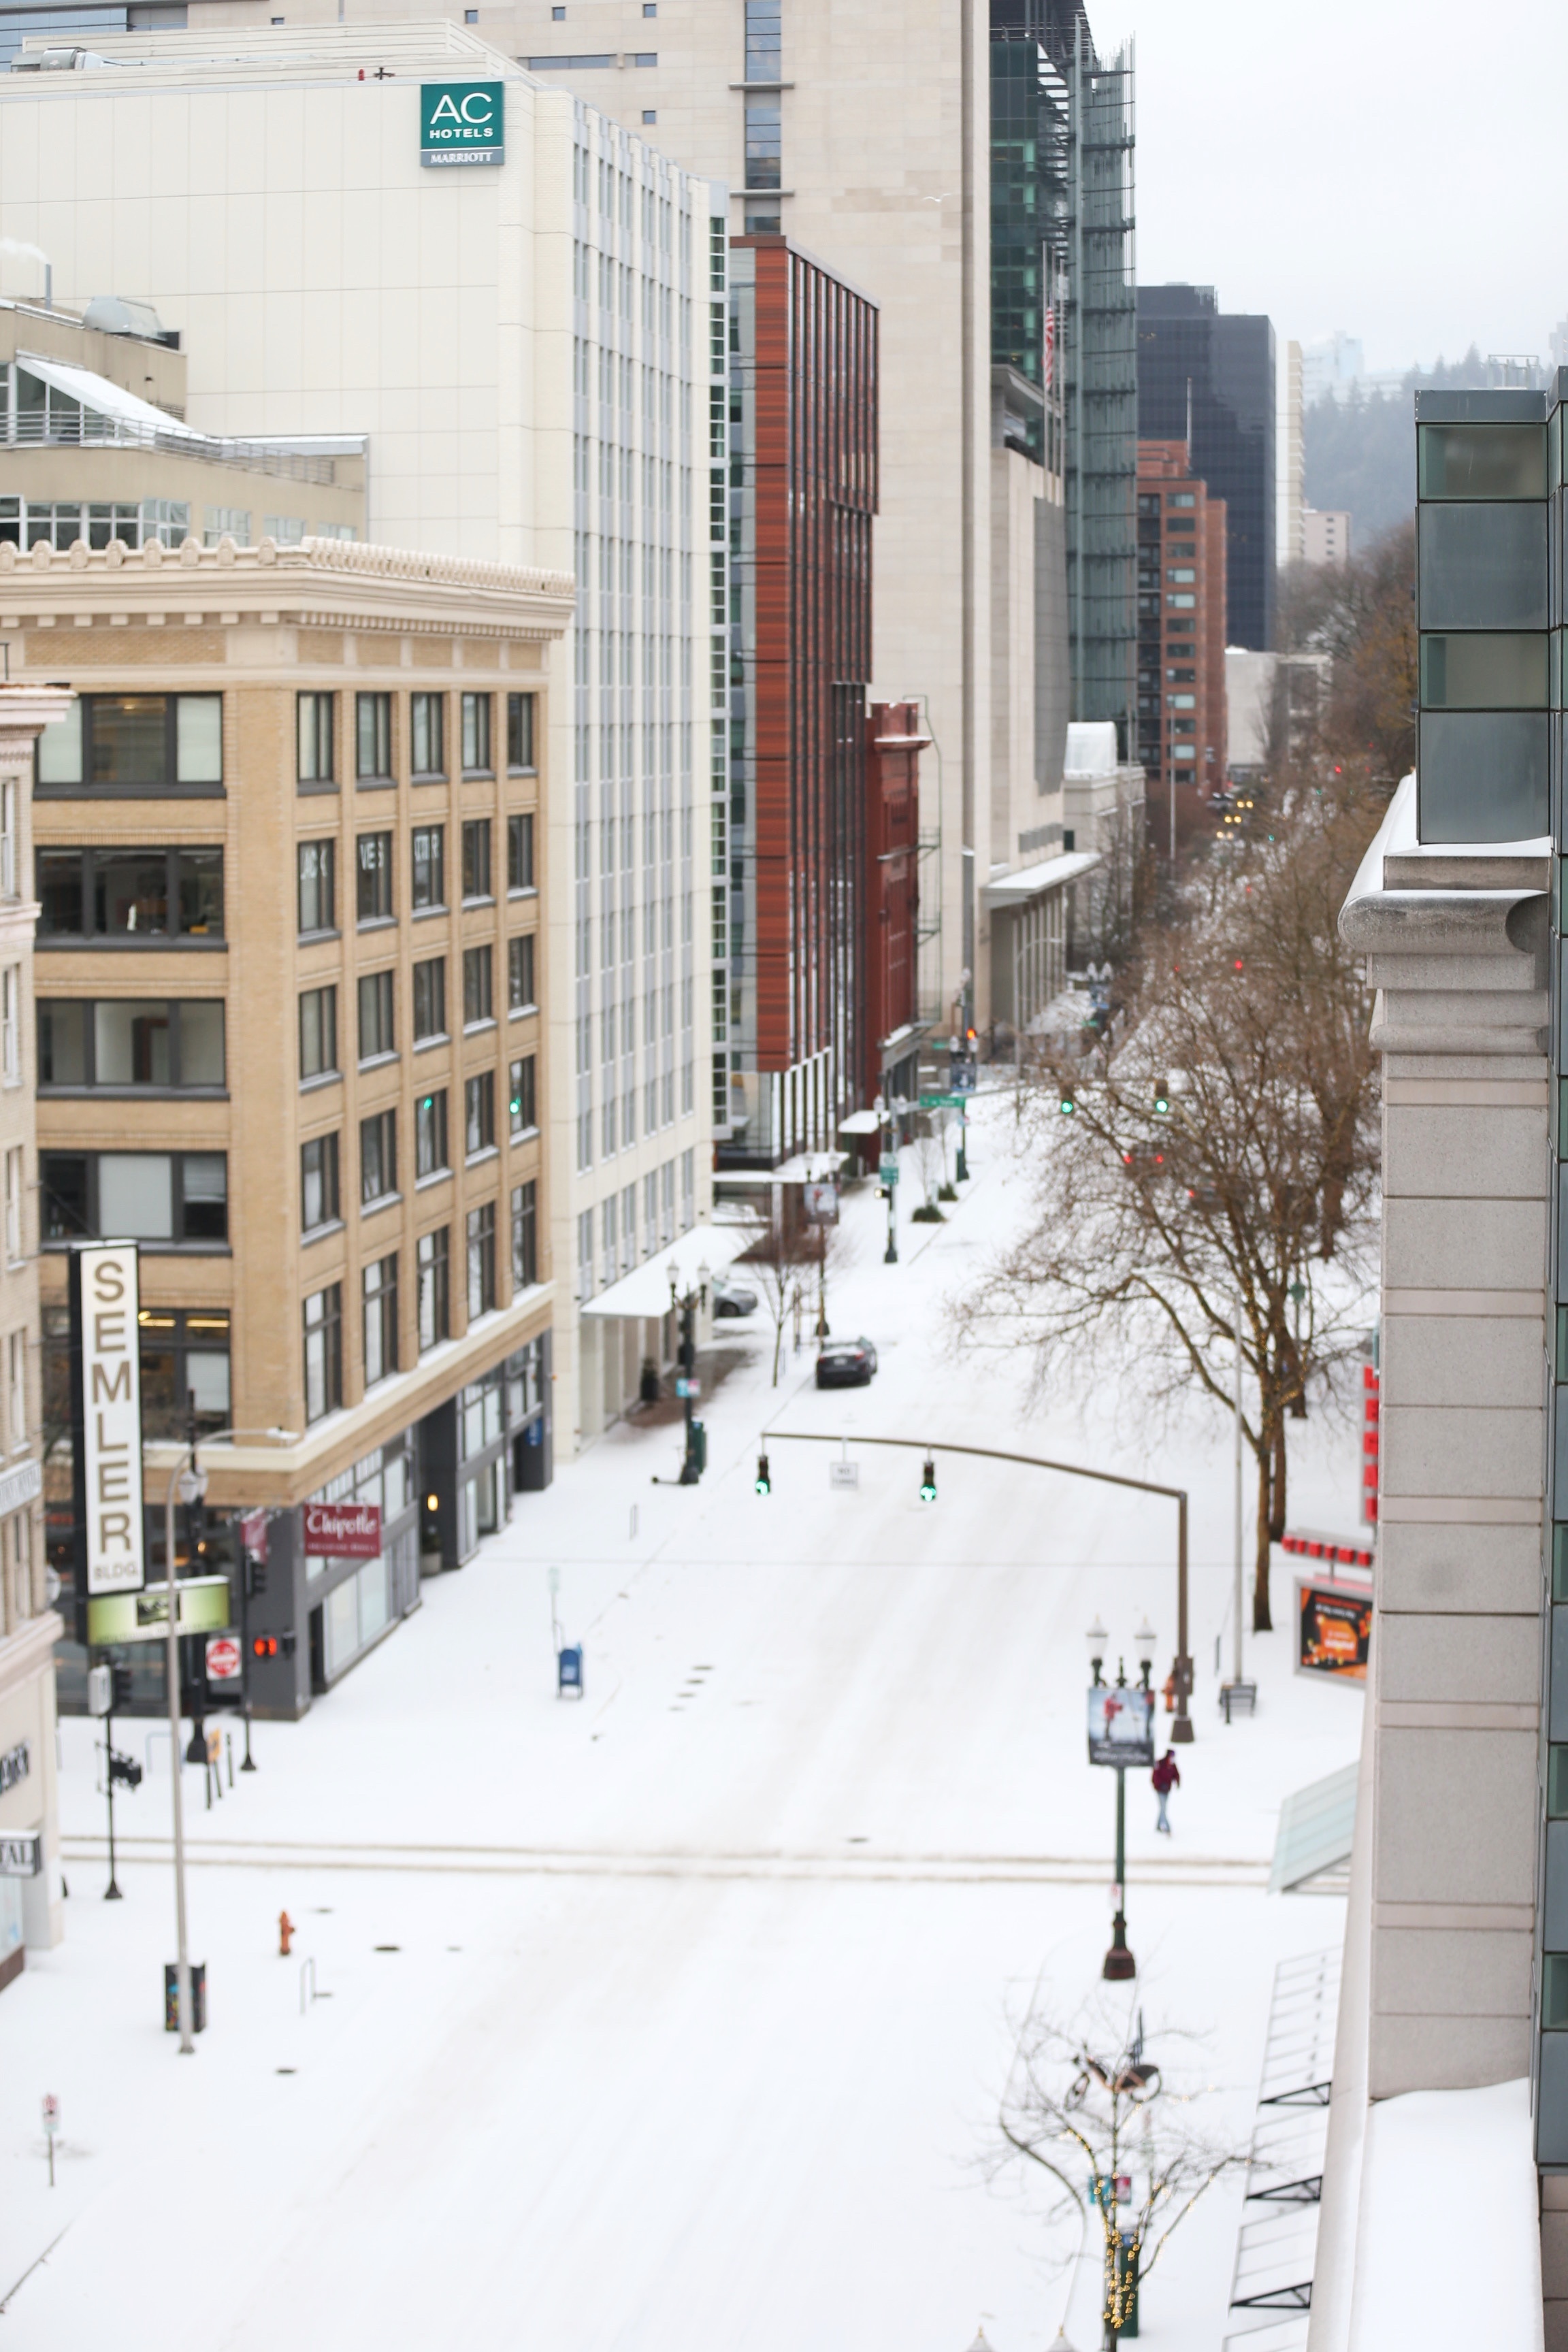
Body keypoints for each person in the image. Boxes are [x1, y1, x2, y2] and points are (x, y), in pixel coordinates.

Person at [1152, 1748, 1180, 1834]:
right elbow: (1155, 1776)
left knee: (1163, 1808)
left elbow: (1176, 1774)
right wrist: (1160, 1784)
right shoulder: (1160, 1763)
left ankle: (1158, 1826)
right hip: (1160, 1790)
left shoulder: (1172, 1765)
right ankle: (1167, 1827)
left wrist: (1177, 1782)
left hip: (1167, 1790)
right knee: (1163, 1807)